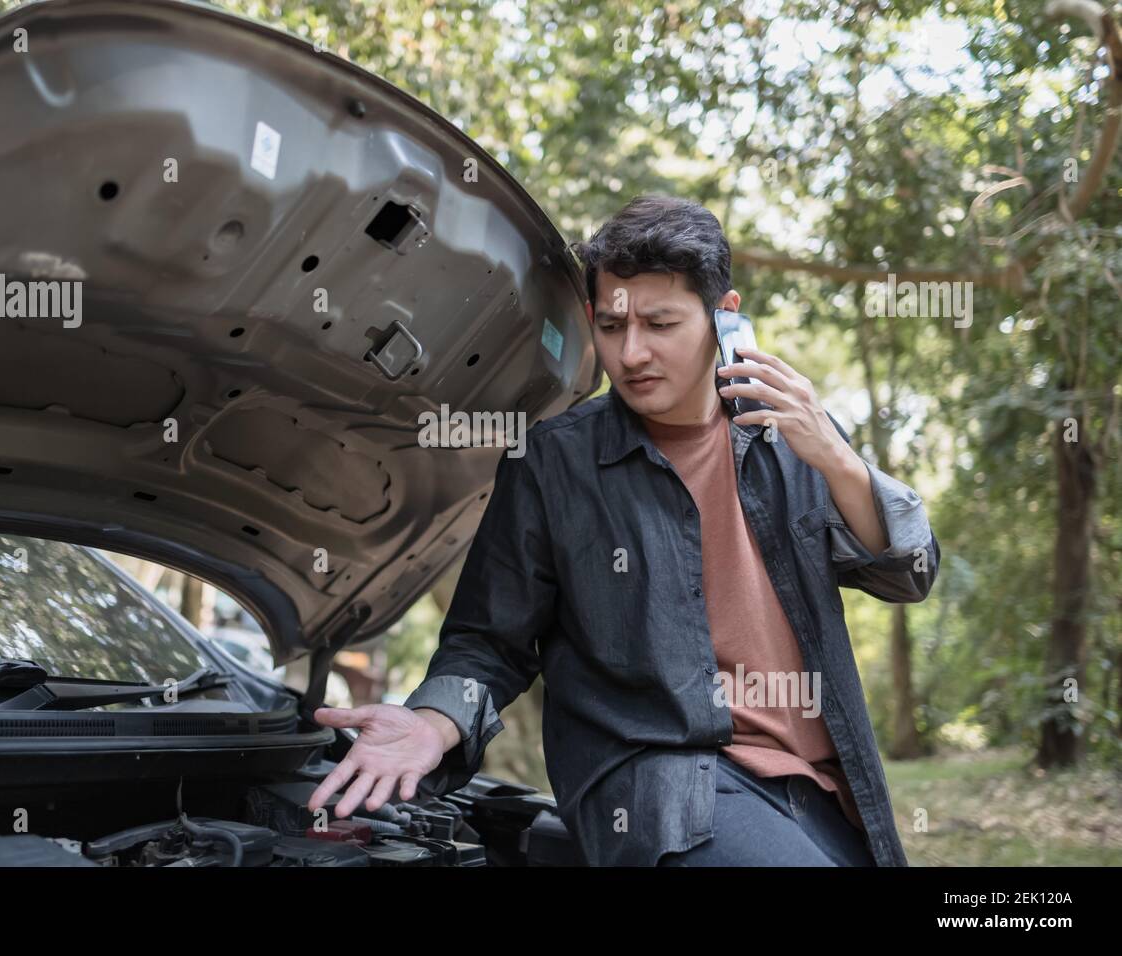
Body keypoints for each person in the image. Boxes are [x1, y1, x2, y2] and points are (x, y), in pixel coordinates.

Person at [307, 195, 940, 866]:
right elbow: (489, 645)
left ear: (726, 317)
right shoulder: (552, 460)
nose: (631, 352)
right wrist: (432, 724)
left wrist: (837, 458)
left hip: (820, 788)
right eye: (612, 325)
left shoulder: (794, 434)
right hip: (667, 789)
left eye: (661, 323)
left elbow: (909, 573)